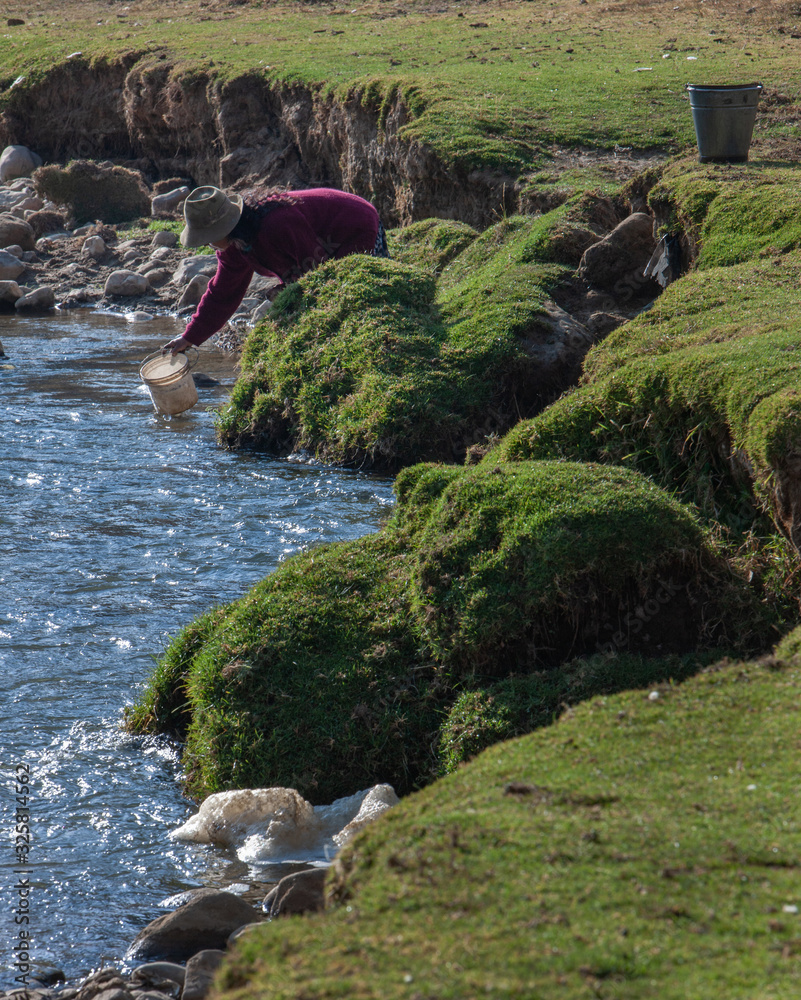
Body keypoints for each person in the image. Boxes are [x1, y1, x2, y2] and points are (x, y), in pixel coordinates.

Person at [163, 185, 390, 354]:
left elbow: (320, 273)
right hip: (319, 245)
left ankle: (372, 340)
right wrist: (189, 337)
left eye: (209, 239)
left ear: (224, 229)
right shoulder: (235, 244)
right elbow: (223, 293)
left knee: (351, 292)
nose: (209, 245)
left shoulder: (276, 225)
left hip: (353, 223)